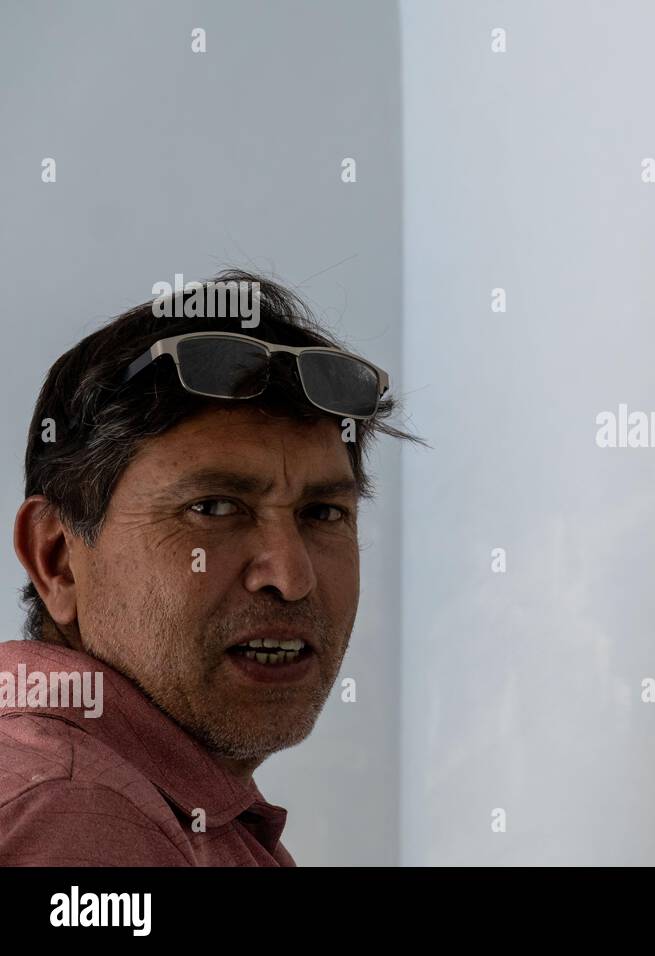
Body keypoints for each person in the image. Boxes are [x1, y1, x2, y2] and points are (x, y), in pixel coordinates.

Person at [0, 272, 421, 865]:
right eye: (214, 508)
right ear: (58, 560)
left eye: (323, 512)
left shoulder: (140, 801)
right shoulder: (78, 811)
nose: (290, 576)